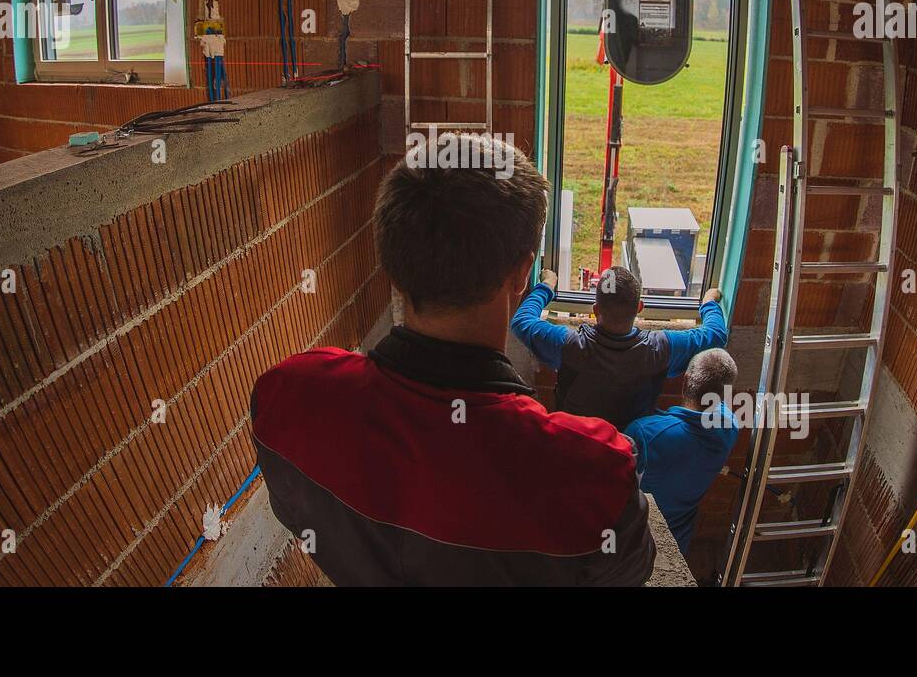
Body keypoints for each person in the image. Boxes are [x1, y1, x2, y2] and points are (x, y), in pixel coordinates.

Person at [250, 133, 656, 586]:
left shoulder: (289, 396)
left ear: (390, 259)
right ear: (522, 273)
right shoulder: (592, 472)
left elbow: (294, 507)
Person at [509, 264, 728, 429]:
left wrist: (546, 286)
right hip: (629, 452)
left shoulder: (571, 347)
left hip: (576, 444)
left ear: (595, 309)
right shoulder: (659, 350)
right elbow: (717, 334)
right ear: (640, 307)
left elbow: (522, 321)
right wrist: (709, 302)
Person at [624, 348, 739, 557]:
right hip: (676, 544)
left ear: (685, 382)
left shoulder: (645, 434)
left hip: (635, 540)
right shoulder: (730, 427)